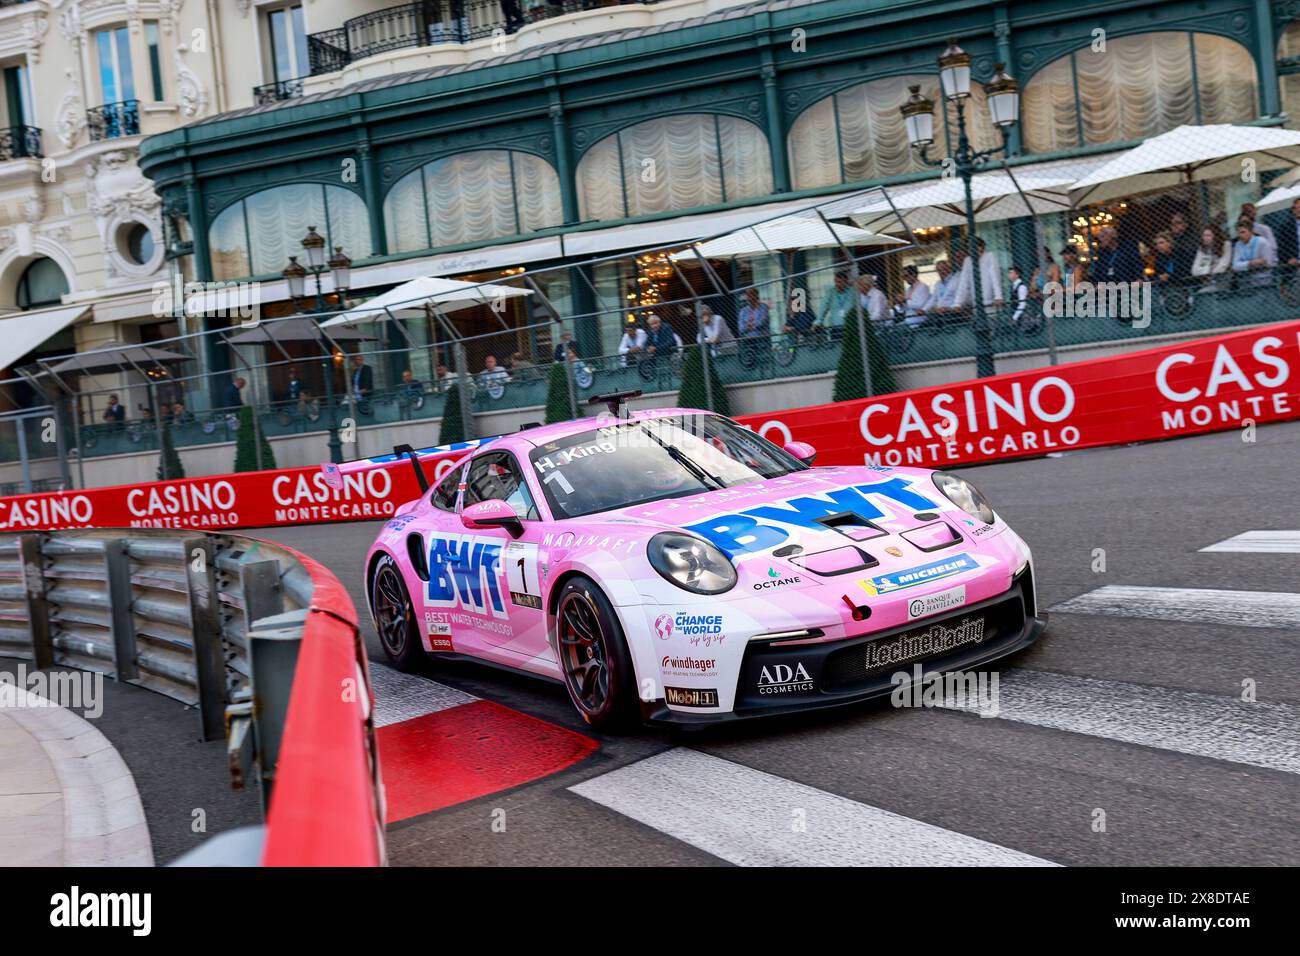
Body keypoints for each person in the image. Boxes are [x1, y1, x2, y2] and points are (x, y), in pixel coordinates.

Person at [1231, 217, 1272, 286]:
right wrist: (1250, 263)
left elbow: (1268, 262)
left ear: (1251, 231)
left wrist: (1243, 264)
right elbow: (1235, 265)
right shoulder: (1238, 244)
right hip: (1246, 281)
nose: (1240, 235)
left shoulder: (1262, 242)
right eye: (1238, 233)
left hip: (1264, 279)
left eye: (1243, 232)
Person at [1191, 225, 1232, 289]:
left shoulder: (1226, 244)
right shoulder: (1202, 249)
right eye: (1204, 235)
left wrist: (1204, 271)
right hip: (1207, 282)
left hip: (1222, 280)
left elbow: (1223, 267)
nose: (1205, 238)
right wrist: (1210, 269)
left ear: (1215, 236)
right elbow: (1194, 271)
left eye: (1208, 235)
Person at [1273, 198, 1300, 272]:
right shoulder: (1285, 228)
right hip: (1295, 267)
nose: (1298, 210)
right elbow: (1282, 247)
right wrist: (1289, 258)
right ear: (1293, 211)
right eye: (1295, 208)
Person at [1169, 213, 1198, 277]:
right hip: (1173, 278)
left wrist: (1168, 272)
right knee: (1147, 280)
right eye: (1172, 224)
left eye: (1178, 223)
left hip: (1188, 275)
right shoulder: (1172, 240)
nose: (1174, 225)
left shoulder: (1192, 238)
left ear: (1186, 224)